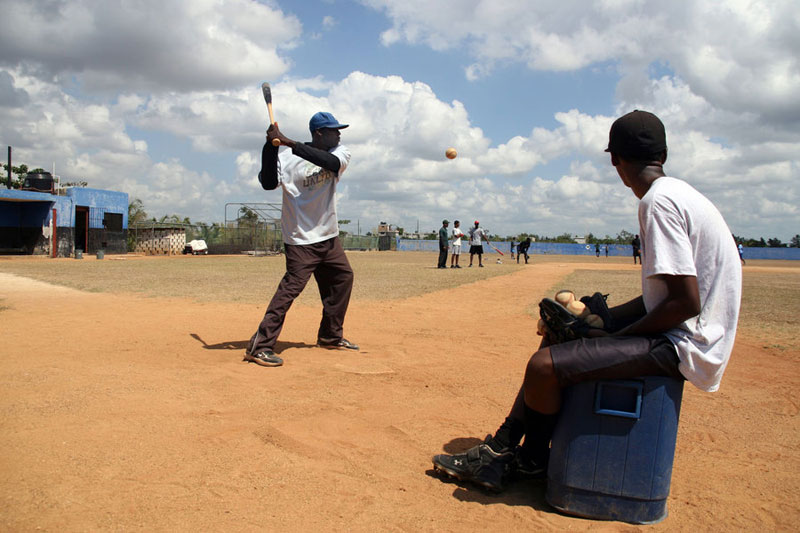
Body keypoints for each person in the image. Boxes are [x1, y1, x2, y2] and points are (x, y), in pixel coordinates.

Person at [431, 110, 742, 493]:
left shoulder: (657, 203)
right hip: (683, 335)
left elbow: (684, 303)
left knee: (543, 366)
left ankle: (531, 462)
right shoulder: (678, 194)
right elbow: (658, 299)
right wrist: (599, 317)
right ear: (663, 153)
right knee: (564, 335)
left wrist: (613, 337)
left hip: (683, 345)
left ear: (614, 160)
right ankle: (500, 450)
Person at [245, 111, 358, 368]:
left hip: (328, 237)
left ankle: (330, 336)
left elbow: (328, 161)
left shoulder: (340, 153)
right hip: (300, 238)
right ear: (319, 133)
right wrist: (270, 147)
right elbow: (268, 182)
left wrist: (287, 142)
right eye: (333, 130)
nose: (338, 134)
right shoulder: (286, 159)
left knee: (343, 278)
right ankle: (259, 346)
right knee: (290, 290)